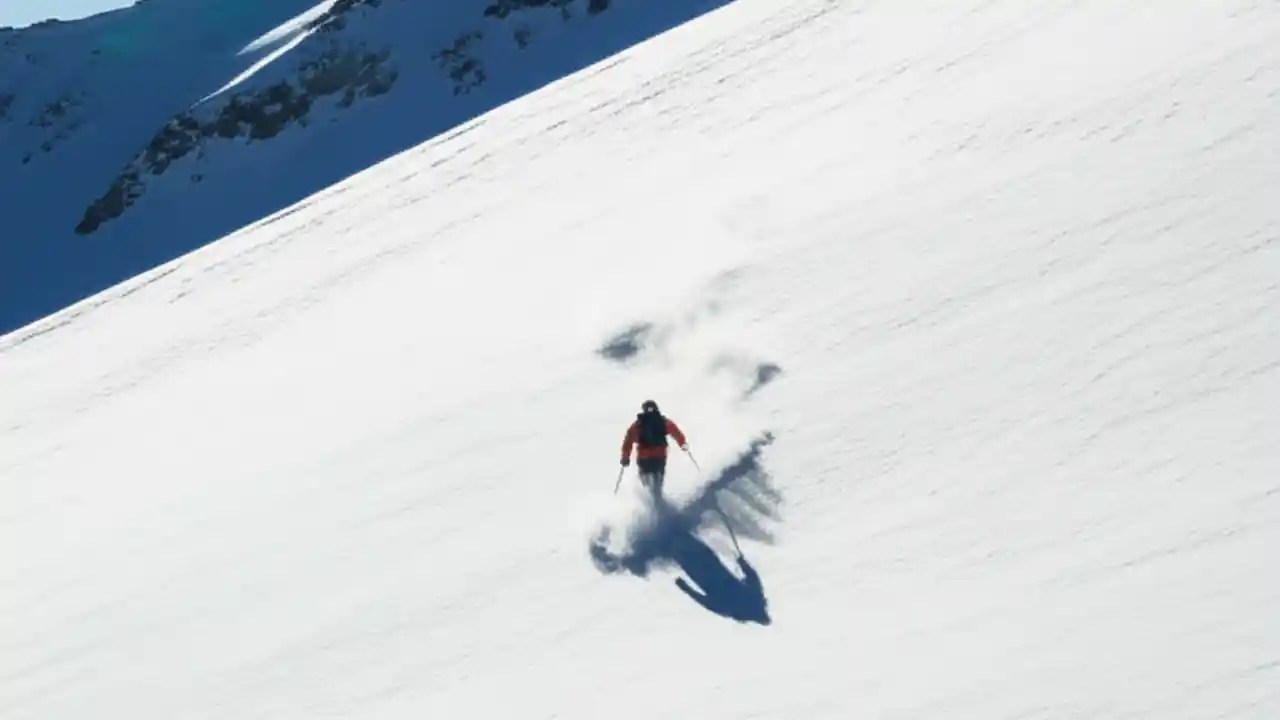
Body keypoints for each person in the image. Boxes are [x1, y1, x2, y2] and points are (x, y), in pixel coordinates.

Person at [620, 400, 688, 497]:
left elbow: (628, 440)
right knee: (658, 479)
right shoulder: (663, 421)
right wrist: (683, 444)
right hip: (660, 456)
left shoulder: (638, 424)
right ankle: (658, 497)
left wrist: (625, 457)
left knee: (645, 480)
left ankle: (648, 500)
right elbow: (676, 432)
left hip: (644, 457)